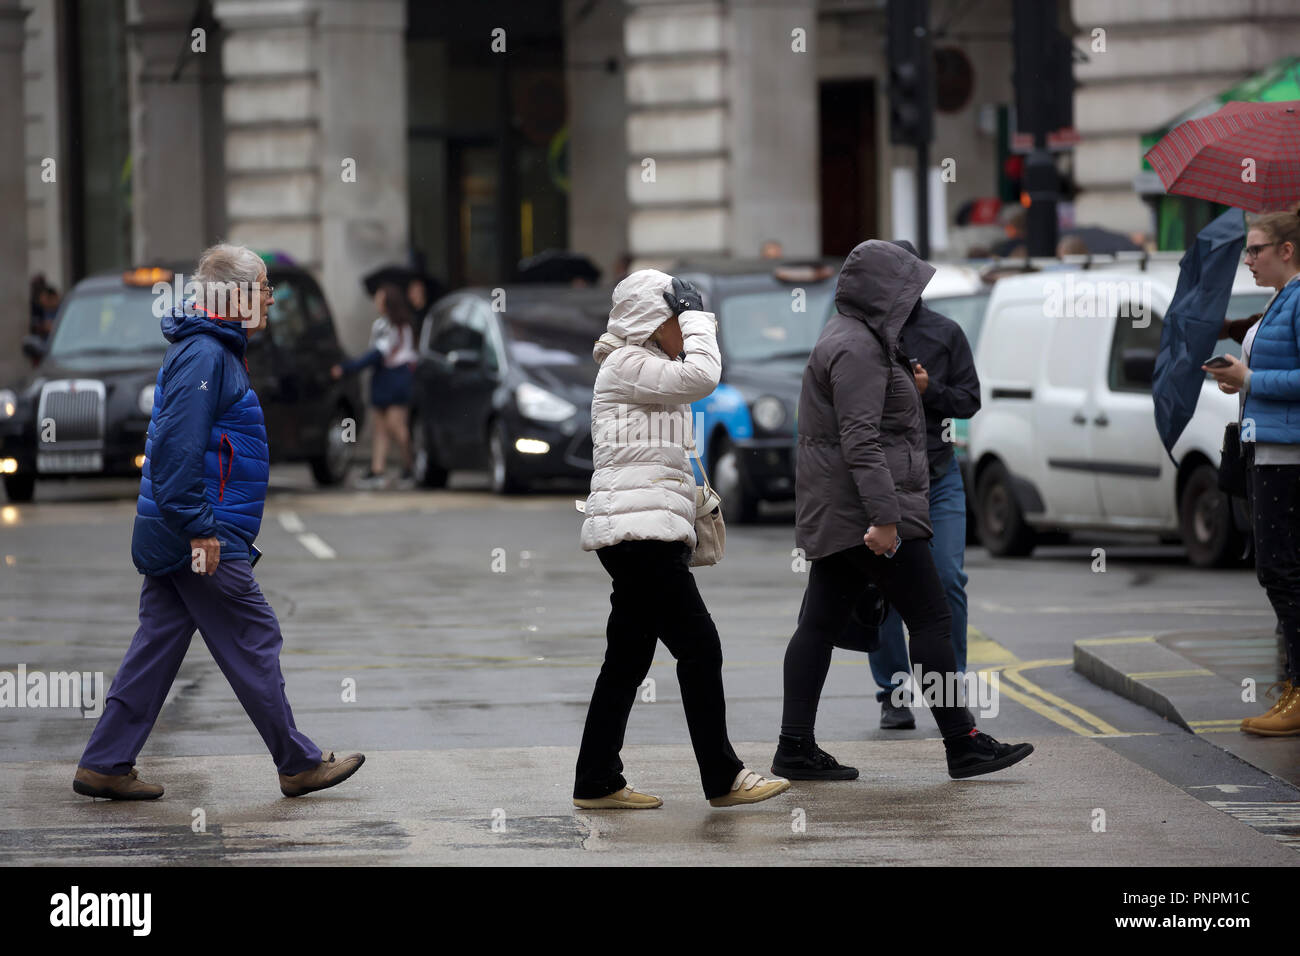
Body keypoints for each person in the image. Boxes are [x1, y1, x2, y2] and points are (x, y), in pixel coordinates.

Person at [75, 243, 364, 800]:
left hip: (184, 528)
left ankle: (105, 762)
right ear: (233, 296)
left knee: (157, 643)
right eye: (262, 287)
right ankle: (298, 763)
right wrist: (201, 527)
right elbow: (177, 451)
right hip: (200, 534)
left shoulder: (211, 350)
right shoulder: (207, 354)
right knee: (254, 636)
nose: (271, 299)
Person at [773, 239, 1033, 781]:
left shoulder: (852, 337)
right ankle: (963, 743)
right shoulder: (860, 348)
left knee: (818, 624)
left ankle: (794, 747)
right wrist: (886, 517)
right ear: (884, 292)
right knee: (931, 618)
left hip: (844, 511)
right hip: (867, 513)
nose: (915, 294)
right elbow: (861, 440)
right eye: (906, 285)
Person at [574, 269, 790, 809]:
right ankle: (723, 777)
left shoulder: (642, 365)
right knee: (700, 648)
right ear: (653, 320)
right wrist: (696, 317)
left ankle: (596, 780)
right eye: (677, 319)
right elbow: (703, 377)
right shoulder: (628, 365)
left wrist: (689, 317)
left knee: (626, 659)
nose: (686, 329)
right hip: (639, 535)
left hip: (641, 532)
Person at [868, 239, 981, 730]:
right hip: (884, 482)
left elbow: (969, 401)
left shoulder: (945, 332)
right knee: (885, 589)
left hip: (938, 476)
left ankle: (947, 689)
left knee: (948, 580)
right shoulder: (863, 335)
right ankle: (893, 693)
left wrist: (928, 390)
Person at [1203, 207, 1300, 736]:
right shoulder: (1281, 299)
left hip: (1289, 457)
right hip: (1268, 450)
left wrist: (1252, 379)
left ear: (1287, 250)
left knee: (1283, 572)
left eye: (1257, 249)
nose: (1249, 259)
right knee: (1278, 571)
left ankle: (1298, 690)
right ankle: (1293, 684)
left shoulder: (1299, 297)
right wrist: (1241, 381)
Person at [331, 283, 418, 488]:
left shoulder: (399, 326)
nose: (377, 302)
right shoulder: (381, 324)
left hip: (397, 377)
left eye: (380, 298)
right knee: (380, 427)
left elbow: (377, 354)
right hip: (382, 378)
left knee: (397, 426)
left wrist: (347, 368)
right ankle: (378, 470)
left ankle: (410, 466)